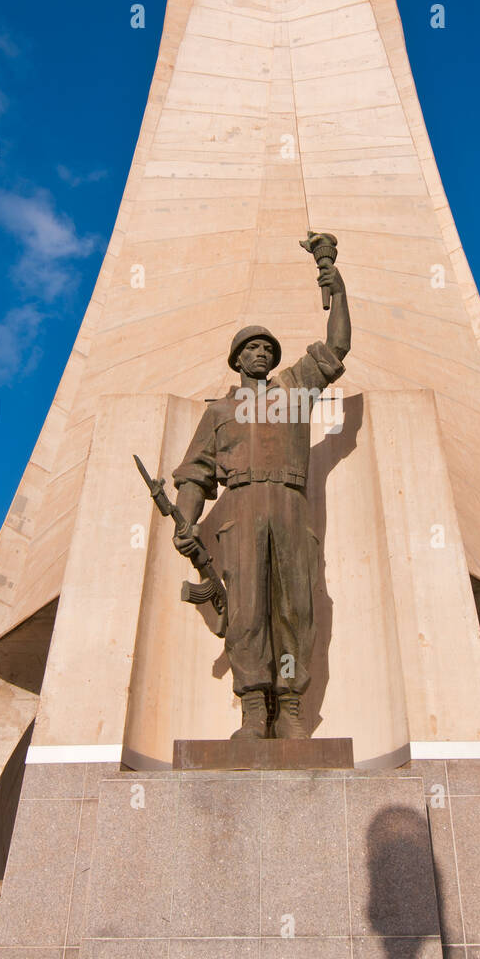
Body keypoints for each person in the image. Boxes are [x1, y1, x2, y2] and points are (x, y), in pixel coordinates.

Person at [172, 257, 351, 739]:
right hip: (243, 504)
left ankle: (290, 704)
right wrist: (185, 523)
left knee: (296, 604)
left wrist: (339, 290)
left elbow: (336, 347)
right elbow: (195, 474)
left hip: (291, 504)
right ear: (236, 359)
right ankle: (254, 705)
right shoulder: (221, 411)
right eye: (250, 348)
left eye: (266, 348)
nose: (259, 353)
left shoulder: (294, 389)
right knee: (247, 608)